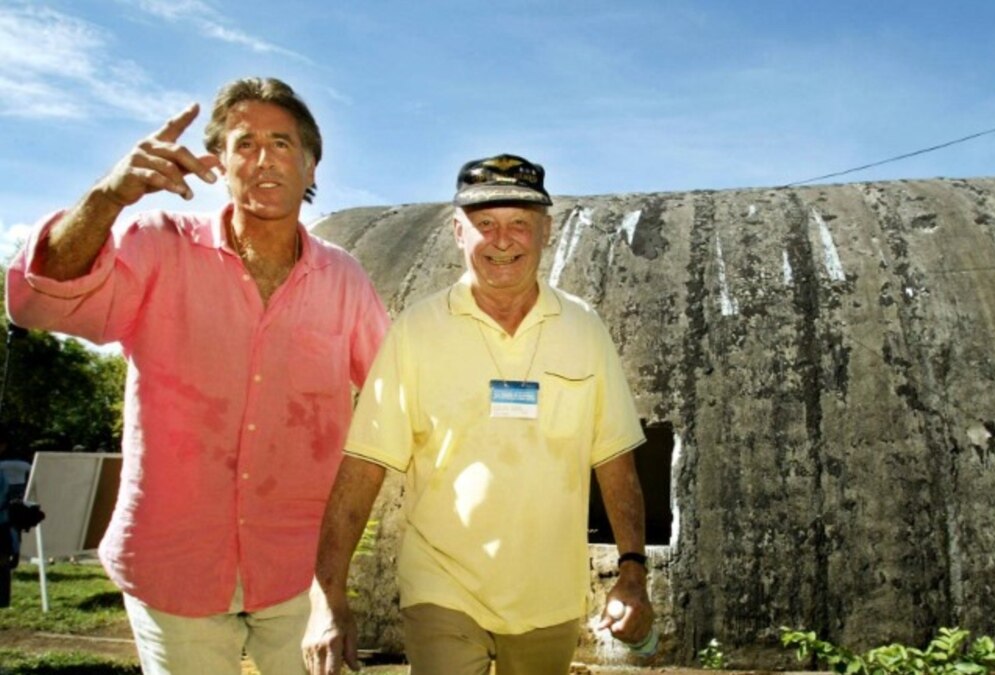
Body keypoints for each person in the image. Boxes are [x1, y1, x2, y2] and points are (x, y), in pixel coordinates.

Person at [5, 77, 389, 674]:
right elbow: (38, 299)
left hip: (298, 569)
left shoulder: (345, 279)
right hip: (172, 564)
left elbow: (395, 393)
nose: (264, 159)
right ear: (219, 163)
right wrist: (108, 196)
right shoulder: (157, 243)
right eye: (244, 143)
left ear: (311, 166)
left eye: (282, 143)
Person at [303, 154, 654, 675]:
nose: (502, 240)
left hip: (548, 595)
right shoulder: (417, 332)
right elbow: (365, 464)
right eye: (484, 223)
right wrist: (327, 596)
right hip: (441, 587)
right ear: (457, 231)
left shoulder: (584, 329)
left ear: (546, 231)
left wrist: (632, 571)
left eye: (519, 224)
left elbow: (614, 459)